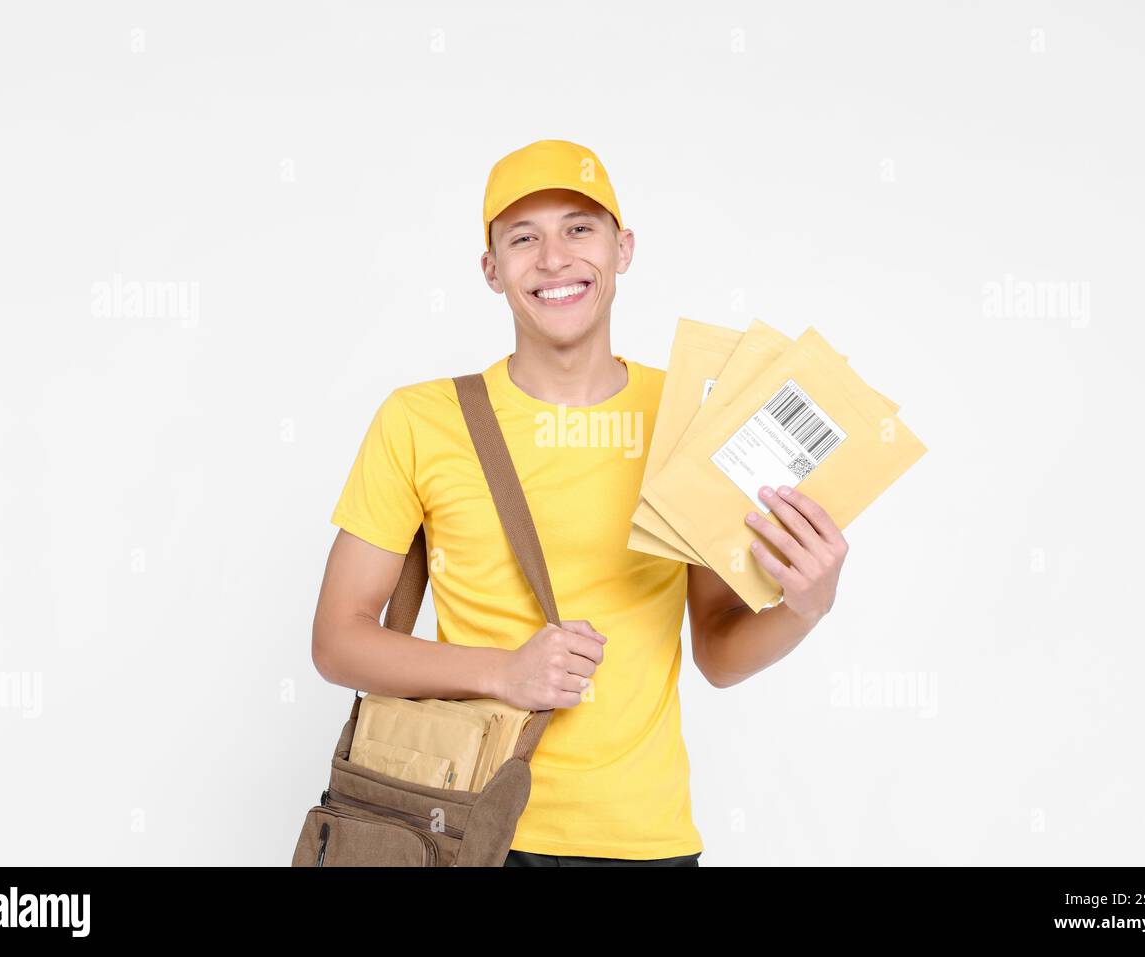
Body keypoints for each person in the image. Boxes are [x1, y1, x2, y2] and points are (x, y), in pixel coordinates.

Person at [311, 139, 849, 866]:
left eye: (579, 228)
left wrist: (806, 606)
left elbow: (718, 651)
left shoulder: (688, 414)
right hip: (471, 829)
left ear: (622, 248)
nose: (554, 258)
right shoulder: (419, 421)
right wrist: (502, 672)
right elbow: (337, 639)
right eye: (523, 238)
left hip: (646, 839)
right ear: (491, 268)